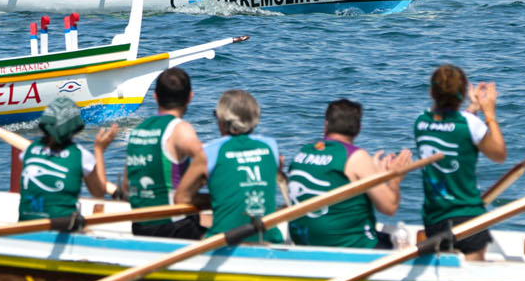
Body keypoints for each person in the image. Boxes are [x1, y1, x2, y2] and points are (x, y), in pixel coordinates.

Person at [286, 99, 412, 249]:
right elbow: (389, 207)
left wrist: (376, 176)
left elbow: (337, 186)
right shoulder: (356, 157)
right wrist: (395, 178)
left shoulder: (303, 152)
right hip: (347, 245)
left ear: (326, 125)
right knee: (402, 243)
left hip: (305, 241)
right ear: (358, 129)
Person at [413, 64, 508, 258]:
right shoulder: (470, 125)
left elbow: (452, 128)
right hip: (467, 215)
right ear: (463, 93)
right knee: (473, 278)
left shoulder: (421, 122)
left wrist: (472, 110)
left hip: (434, 218)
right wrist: (489, 113)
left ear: (431, 92)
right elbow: (499, 155)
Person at [107, 67, 208, 238]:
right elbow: (204, 158)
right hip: (175, 227)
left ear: (155, 97)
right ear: (190, 97)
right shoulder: (179, 129)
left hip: (140, 227)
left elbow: (126, 187)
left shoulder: (137, 131)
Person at [17, 95, 117, 226]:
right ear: (75, 128)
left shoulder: (28, 151)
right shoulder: (81, 155)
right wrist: (99, 150)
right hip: (62, 227)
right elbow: (99, 193)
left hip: (25, 227)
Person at [200, 88, 285, 242]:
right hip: (269, 238)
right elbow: (279, 166)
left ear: (222, 121)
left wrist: (221, 199)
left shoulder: (208, 151)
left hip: (222, 241)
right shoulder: (271, 146)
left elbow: (182, 197)